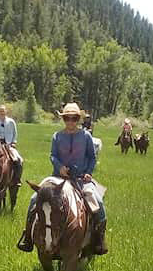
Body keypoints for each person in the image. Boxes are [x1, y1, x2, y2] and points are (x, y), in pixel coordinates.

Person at [17, 103, 107, 255]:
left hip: (80, 179)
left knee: (97, 201)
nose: (70, 121)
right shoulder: (57, 136)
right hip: (58, 178)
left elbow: (92, 157)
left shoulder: (86, 136)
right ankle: (28, 236)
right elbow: (53, 155)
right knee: (34, 199)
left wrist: (89, 173)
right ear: (63, 119)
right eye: (67, 118)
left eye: (73, 118)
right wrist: (59, 167)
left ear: (78, 119)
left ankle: (99, 239)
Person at [0, 104, 24, 187]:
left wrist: (14, 142)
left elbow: (15, 133)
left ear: (6, 112)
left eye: (3, 111)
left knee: (19, 159)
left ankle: (17, 178)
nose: (1, 113)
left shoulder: (11, 122)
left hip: (8, 144)